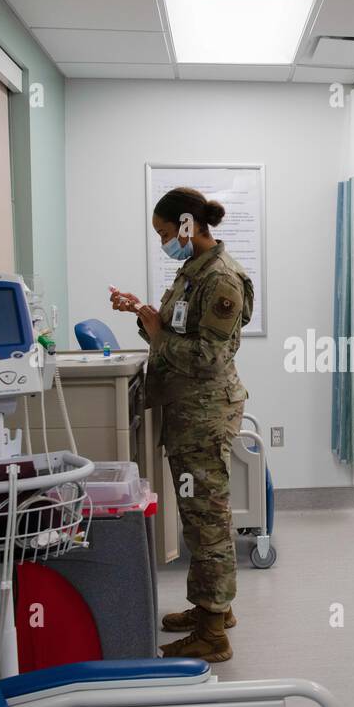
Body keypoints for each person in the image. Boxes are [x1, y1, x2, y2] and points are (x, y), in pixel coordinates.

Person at [110, 187, 252, 662]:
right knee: (199, 518)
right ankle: (210, 608)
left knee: (207, 521)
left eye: (166, 233)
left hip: (204, 416)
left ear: (188, 225)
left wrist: (156, 334)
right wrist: (144, 314)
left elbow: (208, 357)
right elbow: (175, 331)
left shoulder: (221, 281)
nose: (164, 242)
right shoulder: (192, 274)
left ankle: (213, 632)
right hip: (189, 412)